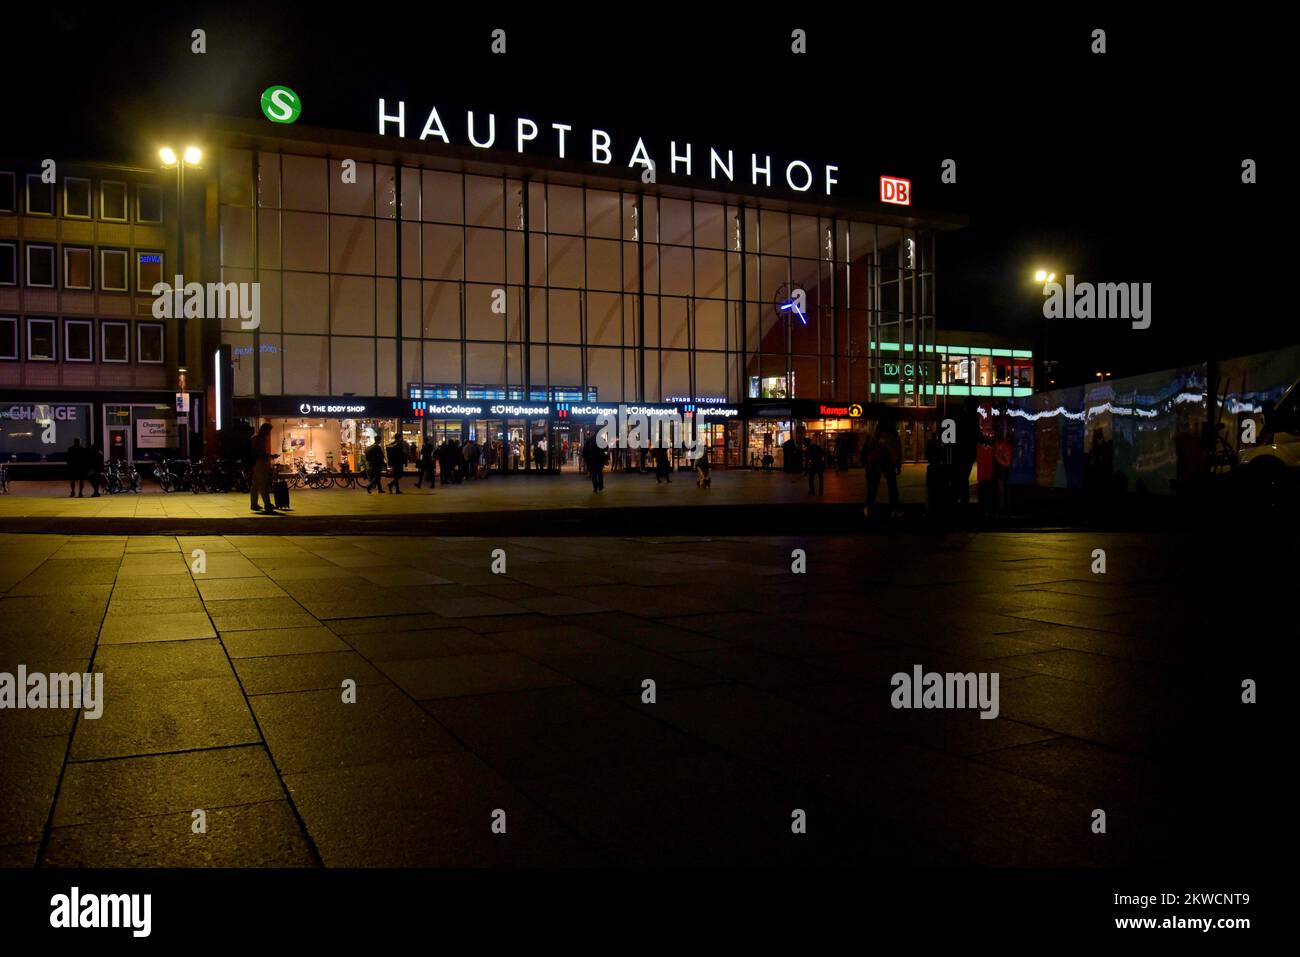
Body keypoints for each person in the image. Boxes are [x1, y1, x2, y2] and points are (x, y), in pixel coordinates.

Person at [863, 415, 902, 518]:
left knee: (874, 486)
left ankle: (868, 506)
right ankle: (894, 509)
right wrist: (898, 464)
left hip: (878, 462)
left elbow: (871, 445)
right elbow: (898, 449)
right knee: (892, 486)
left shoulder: (878, 432)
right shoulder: (893, 434)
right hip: (887, 461)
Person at [250, 422, 279, 512]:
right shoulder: (260, 439)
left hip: (256, 463)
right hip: (260, 463)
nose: (269, 433)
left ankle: (254, 504)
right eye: (268, 430)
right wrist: (270, 456)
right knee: (263, 485)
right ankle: (267, 504)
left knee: (255, 485)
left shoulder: (255, 438)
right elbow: (260, 452)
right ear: (265, 430)